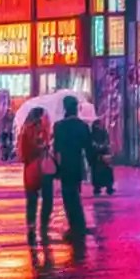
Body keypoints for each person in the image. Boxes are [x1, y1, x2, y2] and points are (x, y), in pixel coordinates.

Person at [53, 96, 91, 241]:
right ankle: (79, 225)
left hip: (65, 165)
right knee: (75, 194)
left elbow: (56, 150)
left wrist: (56, 169)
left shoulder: (59, 126)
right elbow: (88, 148)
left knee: (68, 197)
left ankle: (75, 226)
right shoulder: (82, 126)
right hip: (77, 164)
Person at [18, 107, 53, 245]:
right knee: (42, 199)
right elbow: (26, 151)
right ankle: (39, 226)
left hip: (34, 169)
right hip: (38, 168)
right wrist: (40, 148)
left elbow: (23, 153)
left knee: (33, 201)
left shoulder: (34, 129)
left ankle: (35, 226)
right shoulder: (30, 130)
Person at [88, 119, 116, 196]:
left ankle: (102, 187)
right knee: (104, 171)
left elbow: (105, 141)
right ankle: (106, 187)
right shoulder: (98, 133)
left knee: (102, 172)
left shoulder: (95, 133)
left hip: (100, 156)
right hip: (100, 156)